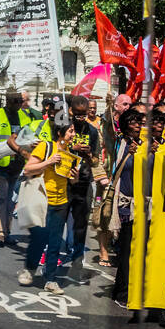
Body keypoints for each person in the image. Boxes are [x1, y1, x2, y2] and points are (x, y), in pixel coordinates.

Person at [18, 119, 77, 295]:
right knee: (39, 238)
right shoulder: (46, 147)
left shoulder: (70, 153)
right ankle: (29, 268)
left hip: (61, 201)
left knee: (55, 242)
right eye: (70, 131)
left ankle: (51, 279)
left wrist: (75, 176)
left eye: (73, 131)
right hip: (42, 200)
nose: (73, 135)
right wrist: (48, 162)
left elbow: (72, 180)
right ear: (60, 133)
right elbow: (28, 170)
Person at [61, 94, 107, 282]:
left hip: (84, 182)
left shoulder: (93, 131)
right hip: (64, 182)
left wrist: (88, 154)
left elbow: (96, 159)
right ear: (71, 111)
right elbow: (56, 149)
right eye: (78, 114)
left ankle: (77, 263)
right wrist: (71, 147)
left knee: (81, 227)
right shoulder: (64, 127)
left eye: (84, 114)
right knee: (57, 223)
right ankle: (51, 258)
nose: (81, 117)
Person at [0, 90, 37, 247]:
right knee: (1, 197)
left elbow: (30, 136)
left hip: (18, 164)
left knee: (10, 200)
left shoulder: (26, 117)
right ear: (7, 101)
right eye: (15, 101)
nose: (18, 104)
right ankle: (0, 233)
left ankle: (7, 231)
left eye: (20, 101)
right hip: (1, 163)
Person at [108, 107, 145, 307]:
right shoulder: (119, 144)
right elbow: (113, 168)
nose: (138, 126)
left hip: (143, 204)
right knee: (126, 249)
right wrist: (126, 156)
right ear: (124, 126)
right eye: (133, 122)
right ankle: (122, 292)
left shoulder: (145, 144)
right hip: (125, 204)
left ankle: (126, 288)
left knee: (138, 249)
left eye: (139, 122)